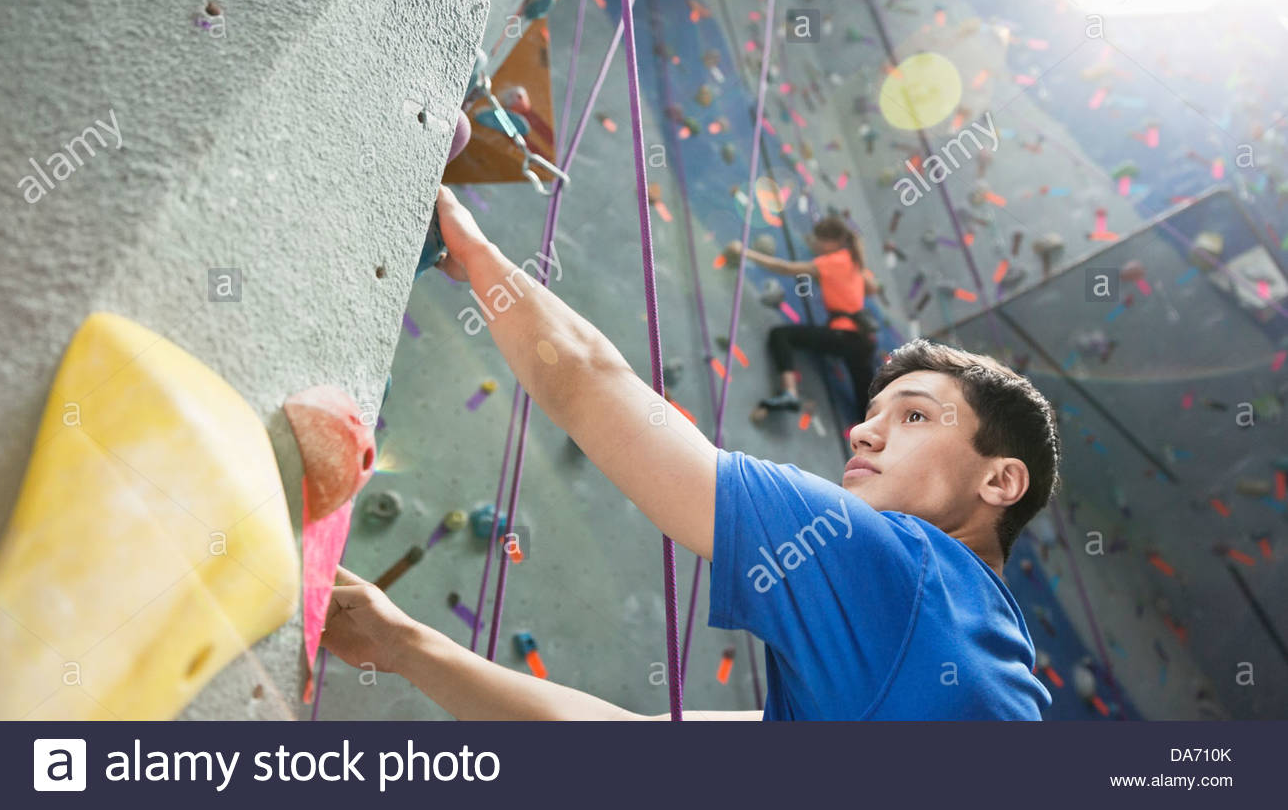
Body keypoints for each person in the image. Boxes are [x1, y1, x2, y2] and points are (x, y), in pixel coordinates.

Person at [321, 185, 1060, 720]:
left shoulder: (901, 572)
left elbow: (588, 385)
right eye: (870, 415)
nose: (863, 433)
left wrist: (475, 254)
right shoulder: (983, 661)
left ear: (1001, 479)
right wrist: (407, 645)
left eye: (916, 416)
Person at [724, 216, 880, 424]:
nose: (814, 245)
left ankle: (790, 393)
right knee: (865, 407)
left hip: (844, 336)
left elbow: (785, 268)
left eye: (817, 241)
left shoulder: (833, 261)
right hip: (860, 341)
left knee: (781, 335)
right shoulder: (852, 260)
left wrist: (744, 252)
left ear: (830, 243)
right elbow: (871, 288)